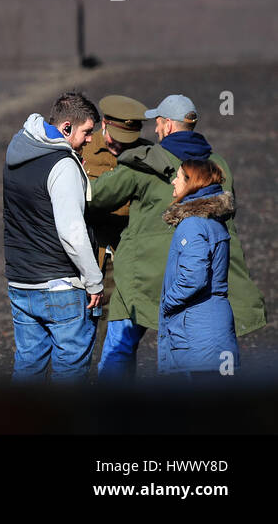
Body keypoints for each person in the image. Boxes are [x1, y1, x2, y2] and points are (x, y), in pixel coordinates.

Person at [89, 94, 266, 378]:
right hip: (199, 275)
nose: (156, 130)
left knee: (120, 345)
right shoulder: (218, 164)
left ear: (168, 126)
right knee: (191, 350)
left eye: (158, 123)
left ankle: (113, 409)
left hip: (143, 276)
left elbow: (95, 198)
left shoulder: (143, 163)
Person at [2, 92, 103, 381]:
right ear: (67, 127)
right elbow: (72, 233)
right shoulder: (63, 166)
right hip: (60, 286)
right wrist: (94, 280)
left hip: (20, 282)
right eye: (86, 132)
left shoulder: (17, 151)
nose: (89, 140)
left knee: (27, 367)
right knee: (70, 372)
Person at [81, 95, 150, 357]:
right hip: (89, 260)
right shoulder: (82, 150)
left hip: (127, 262)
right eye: (116, 137)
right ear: (105, 125)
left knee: (119, 346)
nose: (120, 145)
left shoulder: (146, 155)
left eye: (128, 139)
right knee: (81, 341)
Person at [159, 159, 238, 377]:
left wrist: (168, 302)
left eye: (179, 176)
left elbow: (194, 276)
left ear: (192, 183)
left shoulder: (192, 224)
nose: (173, 181)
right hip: (216, 332)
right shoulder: (213, 220)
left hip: (197, 337)